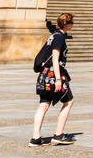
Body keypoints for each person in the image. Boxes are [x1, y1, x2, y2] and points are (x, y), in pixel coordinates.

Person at [32, 14, 76, 146]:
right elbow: (55, 59)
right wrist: (58, 79)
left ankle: (35, 139)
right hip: (53, 76)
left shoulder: (53, 36)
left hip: (44, 75)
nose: (73, 25)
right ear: (67, 24)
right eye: (72, 22)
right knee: (68, 101)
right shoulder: (59, 37)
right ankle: (58, 134)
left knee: (44, 104)